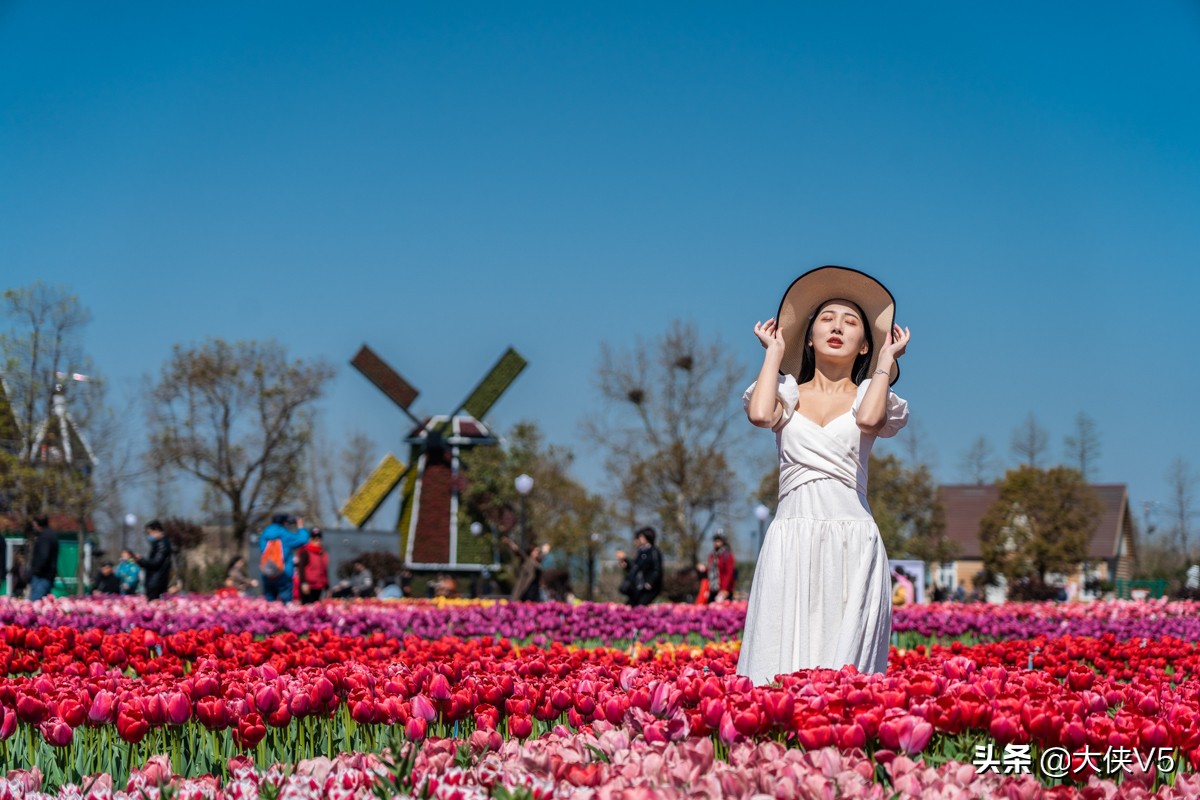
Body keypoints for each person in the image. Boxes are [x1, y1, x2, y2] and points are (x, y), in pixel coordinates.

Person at [738, 265, 910, 685]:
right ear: (810, 337)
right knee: (776, 664)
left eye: (851, 322)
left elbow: (869, 420)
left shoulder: (873, 396)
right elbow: (760, 415)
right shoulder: (786, 395)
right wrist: (774, 353)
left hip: (851, 541)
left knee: (845, 671)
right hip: (791, 539)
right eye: (826, 320)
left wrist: (886, 361)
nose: (837, 328)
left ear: (865, 343)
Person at [258, 514, 310, 603]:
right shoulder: (284, 534)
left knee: (269, 604)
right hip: (283, 574)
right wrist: (300, 526)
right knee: (286, 603)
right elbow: (302, 540)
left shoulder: (265, 534)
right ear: (284, 523)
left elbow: (262, 549)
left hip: (267, 573)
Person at [616, 527, 663, 607]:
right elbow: (636, 567)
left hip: (648, 587)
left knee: (639, 607)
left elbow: (657, 569)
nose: (639, 539)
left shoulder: (653, 552)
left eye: (641, 537)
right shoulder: (642, 552)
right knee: (630, 606)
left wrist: (650, 583)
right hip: (638, 586)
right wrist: (626, 562)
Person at [137, 519, 174, 601]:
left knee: (154, 603)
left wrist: (141, 560)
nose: (149, 536)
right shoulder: (159, 544)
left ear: (157, 531)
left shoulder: (162, 544)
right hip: (155, 580)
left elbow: (155, 563)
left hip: (156, 581)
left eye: (150, 533)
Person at [503, 537, 549, 602]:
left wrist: (545, 550)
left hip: (535, 590)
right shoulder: (527, 560)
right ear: (531, 552)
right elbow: (518, 551)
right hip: (525, 588)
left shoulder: (538, 563)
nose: (537, 552)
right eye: (535, 551)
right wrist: (510, 543)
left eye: (538, 551)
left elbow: (542, 555)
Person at [27, 514, 59, 601]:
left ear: (37, 524)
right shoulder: (52, 535)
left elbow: (43, 557)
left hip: (41, 576)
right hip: (48, 575)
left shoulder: (44, 537)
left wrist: (33, 571)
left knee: (36, 604)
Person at [296, 528, 330, 604]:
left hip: (319, 586)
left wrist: (327, 586)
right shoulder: (306, 552)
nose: (317, 541)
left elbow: (325, 571)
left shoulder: (323, 554)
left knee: (316, 609)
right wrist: (303, 583)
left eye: (319, 538)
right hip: (308, 586)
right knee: (307, 608)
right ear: (311, 539)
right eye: (315, 538)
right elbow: (301, 568)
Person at [706, 533, 737, 603]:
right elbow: (710, 572)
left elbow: (729, 573)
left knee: (723, 612)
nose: (717, 542)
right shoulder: (712, 555)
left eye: (719, 540)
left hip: (724, 590)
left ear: (723, 541)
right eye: (715, 540)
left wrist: (724, 589)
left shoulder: (727, 555)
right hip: (713, 589)